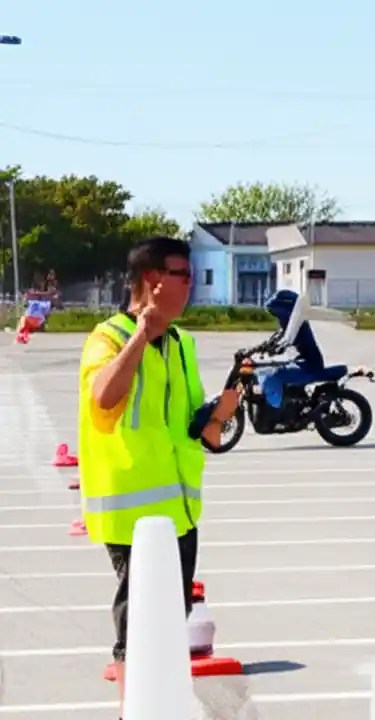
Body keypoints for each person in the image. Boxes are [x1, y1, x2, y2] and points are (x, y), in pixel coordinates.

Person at [78, 236, 238, 715]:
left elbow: (198, 429)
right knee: (136, 629)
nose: (191, 285)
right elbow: (104, 399)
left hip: (181, 511)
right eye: (183, 276)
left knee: (171, 623)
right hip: (132, 513)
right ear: (152, 281)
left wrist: (224, 411)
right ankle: (134, 711)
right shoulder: (107, 338)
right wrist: (138, 338)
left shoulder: (183, 342)